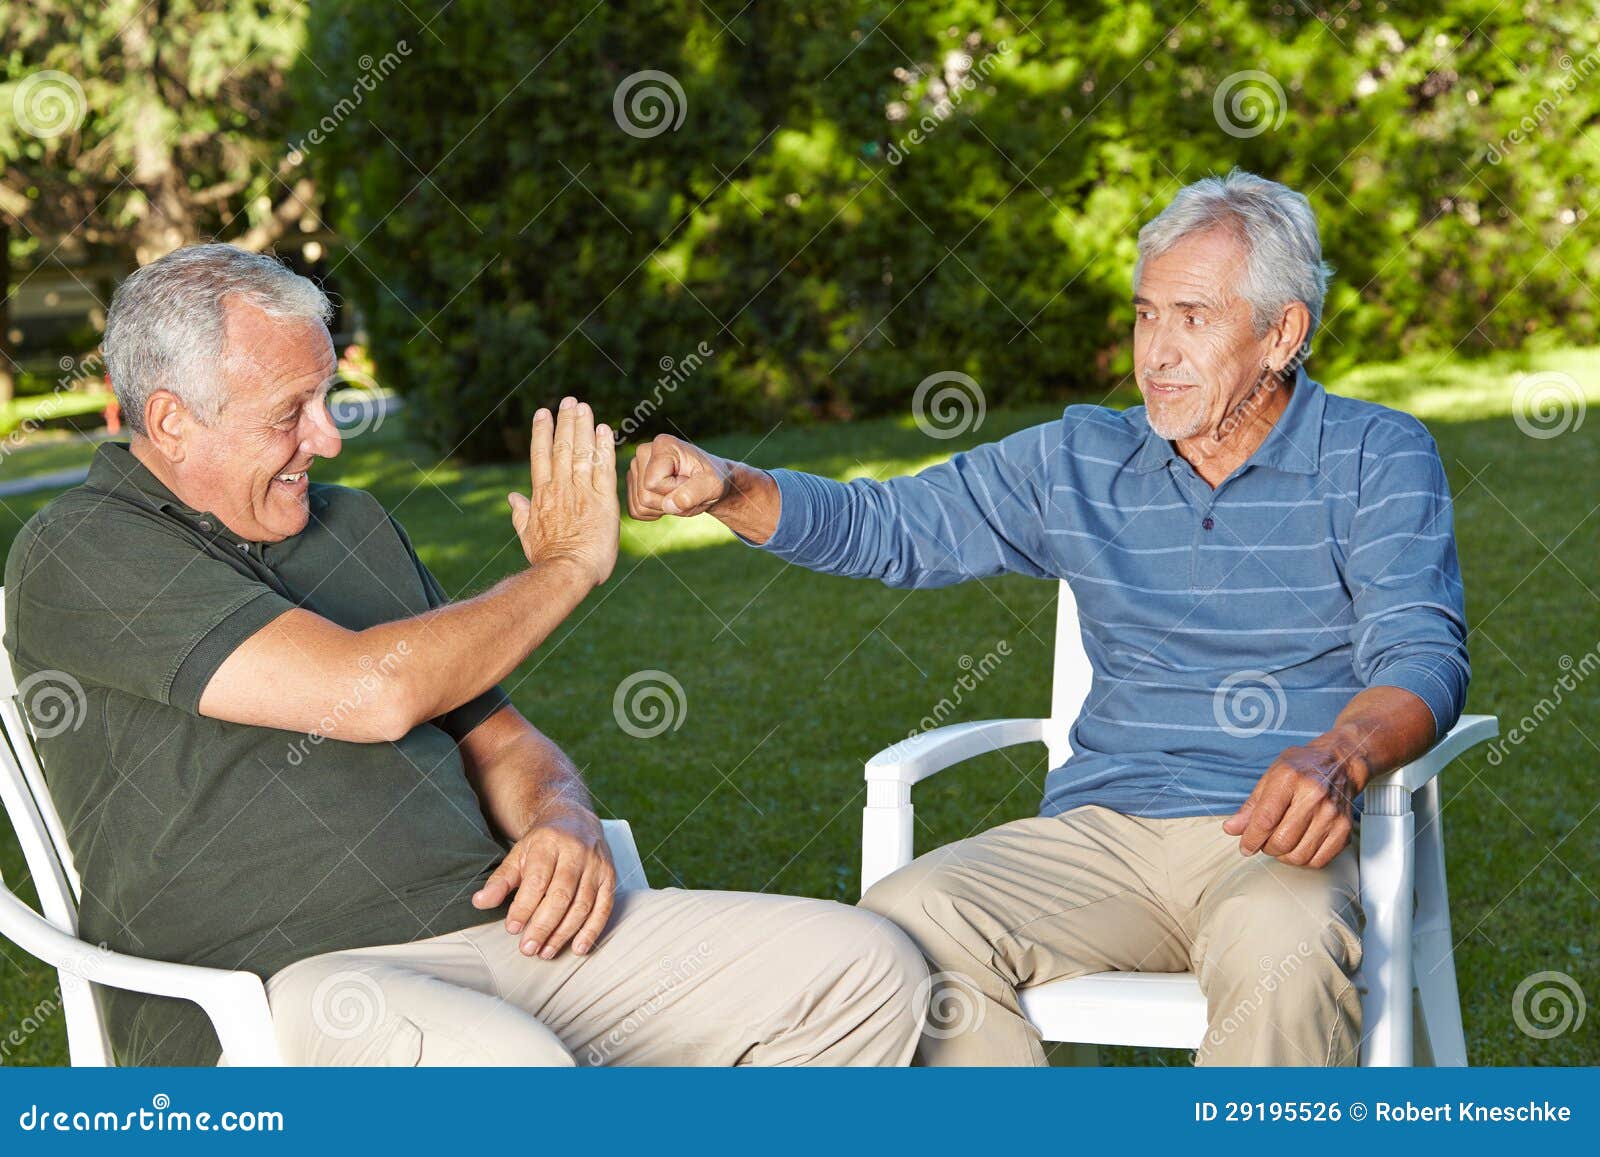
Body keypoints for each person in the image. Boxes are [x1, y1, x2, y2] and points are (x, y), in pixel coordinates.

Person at [3, 243, 927, 1067]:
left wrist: (561, 816)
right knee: (506, 1069)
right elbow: (371, 691)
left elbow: (504, 739)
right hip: (281, 989)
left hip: (503, 933)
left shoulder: (353, 526)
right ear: (169, 422)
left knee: (864, 971)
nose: (327, 438)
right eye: (291, 411)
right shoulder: (82, 545)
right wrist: (565, 569)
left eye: (326, 399)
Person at [626, 170, 1470, 1066]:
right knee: (908, 924)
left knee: (1279, 939)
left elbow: (1422, 654)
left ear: (1282, 333)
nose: (1157, 353)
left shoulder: (1377, 455)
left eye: (1193, 317)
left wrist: (1339, 754)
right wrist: (732, 485)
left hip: (1279, 838)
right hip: (1105, 836)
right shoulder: (1079, 457)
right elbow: (895, 527)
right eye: (1146, 315)